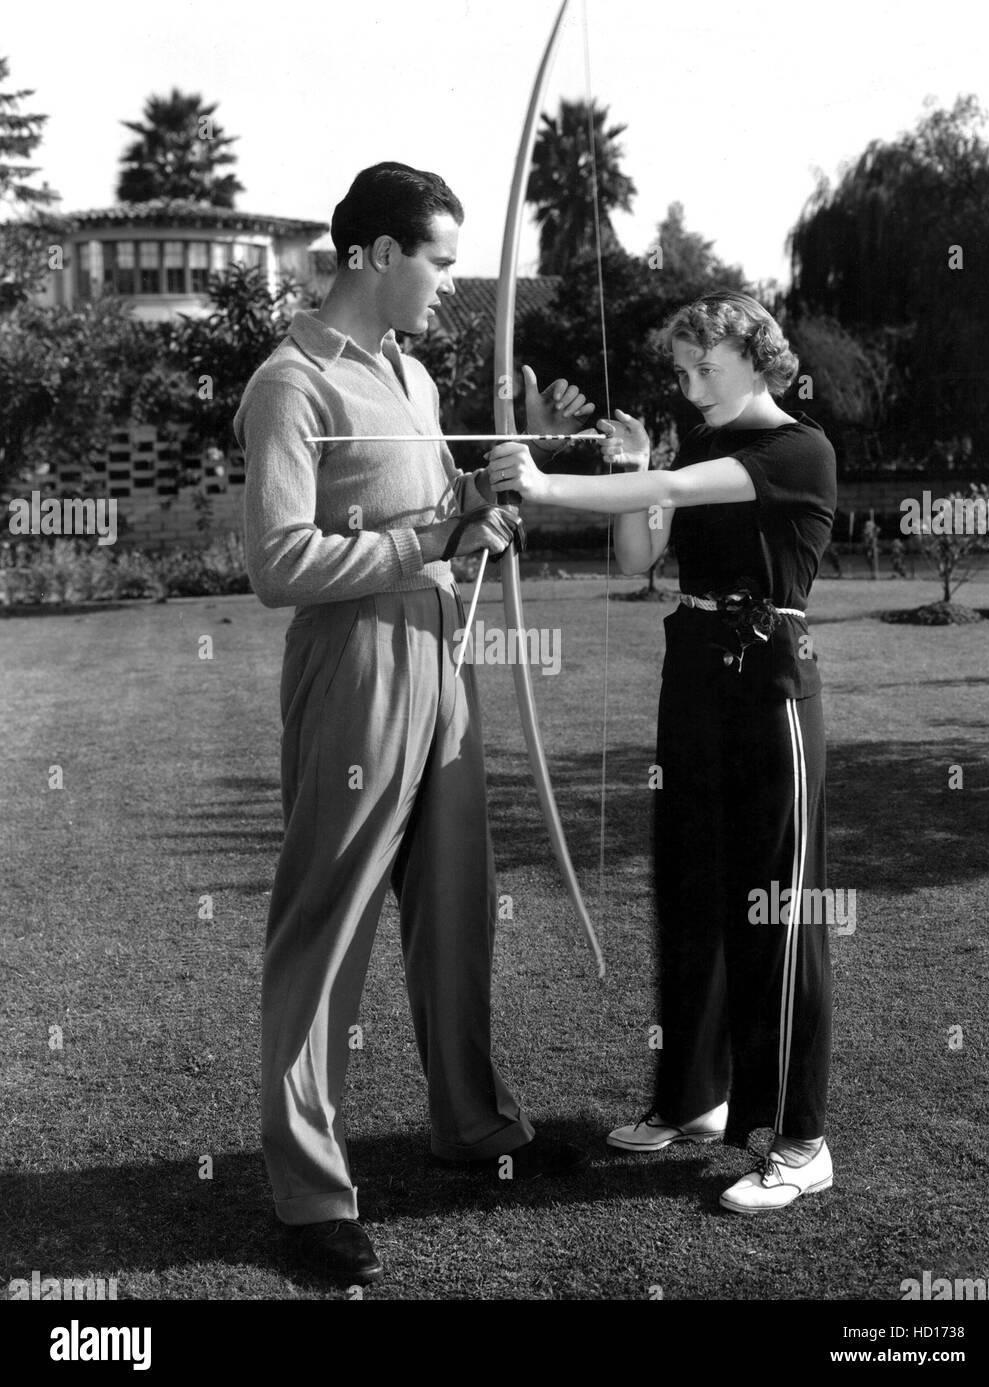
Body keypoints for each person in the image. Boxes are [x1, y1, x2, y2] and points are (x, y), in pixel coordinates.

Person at [235, 162, 589, 1284]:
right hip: (355, 665)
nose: (449, 281)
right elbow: (276, 561)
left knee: (456, 905)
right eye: (438, 257)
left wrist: (484, 504)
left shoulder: (419, 378)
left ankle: (472, 1129)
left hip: (444, 655)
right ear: (376, 255)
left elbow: (436, 516)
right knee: (325, 925)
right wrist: (428, 545)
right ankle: (308, 1198)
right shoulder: (291, 384)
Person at [489, 290, 837, 1213]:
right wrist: (637, 465)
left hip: (769, 688)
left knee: (776, 910)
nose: (688, 386)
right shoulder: (697, 451)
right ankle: (694, 1101)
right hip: (692, 678)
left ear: (756, 356)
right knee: (690, 894)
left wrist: (550, 482)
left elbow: (671, 495)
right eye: (680, 372)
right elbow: (636, 559)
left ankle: (800, 1141)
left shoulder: (797, 449)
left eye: (703, 368)